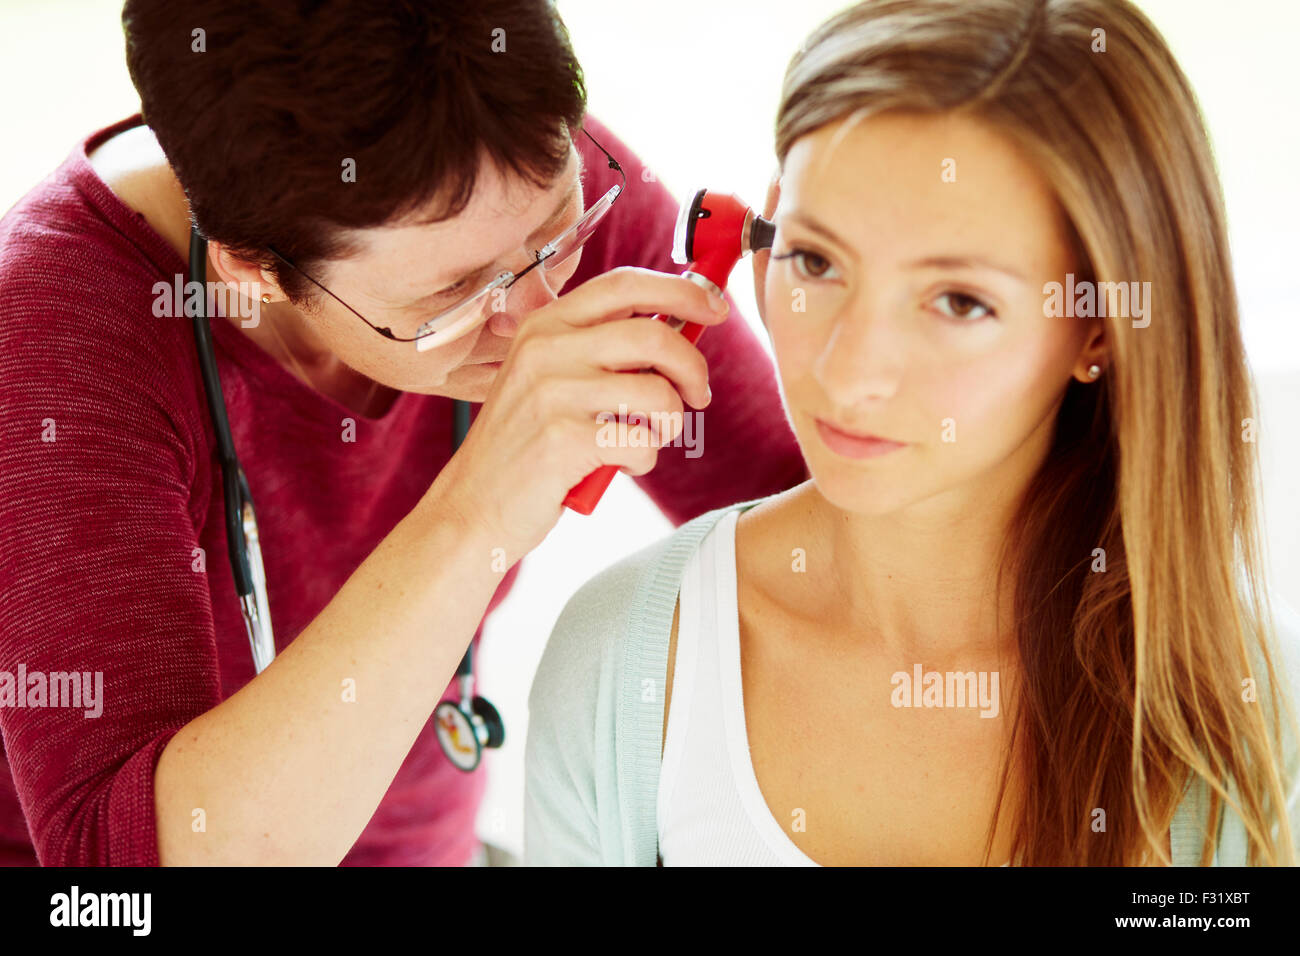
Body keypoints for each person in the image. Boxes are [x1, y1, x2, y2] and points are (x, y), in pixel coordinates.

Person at [0, 0, 806, 866]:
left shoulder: (494, 168)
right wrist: (478, 513)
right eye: (454, 298)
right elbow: (116, 876)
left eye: (559, 229)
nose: (538, 317)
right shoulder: (52, 338)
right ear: (252, 267)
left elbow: (813, 515)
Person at [523, 0, 1300, 866]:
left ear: (1097, 328)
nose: (850, 373)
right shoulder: (621, 665)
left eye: (959, 301)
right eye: (815, 260)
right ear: (768, 223)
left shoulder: (1248, 720)